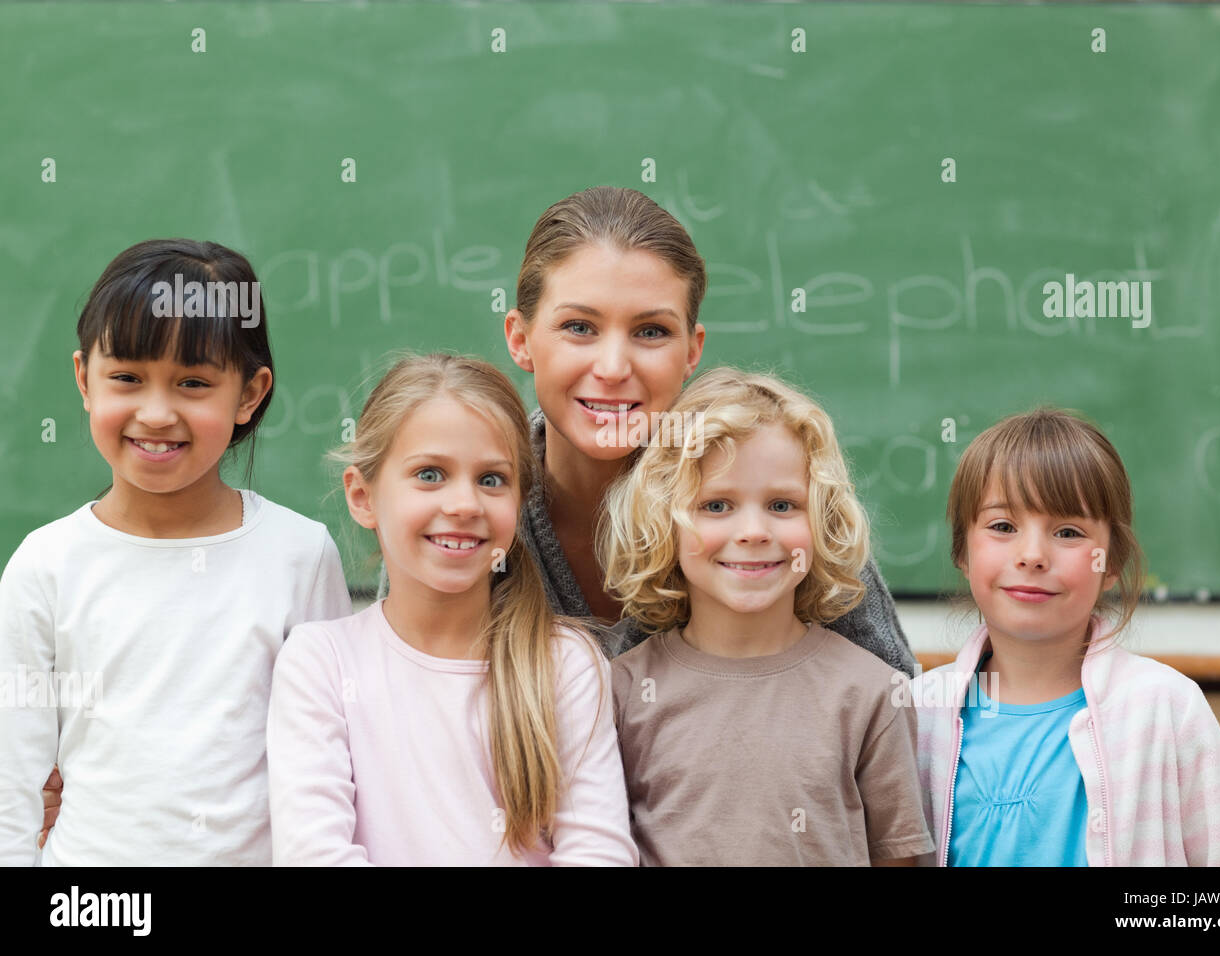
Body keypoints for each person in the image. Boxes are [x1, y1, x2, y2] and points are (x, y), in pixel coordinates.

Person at [0, 239, 351, 865]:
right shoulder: (45, 565)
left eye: (193, 383)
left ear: (249, 393)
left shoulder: (300, 555)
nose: (156, 413)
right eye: (127, 378)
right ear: (85, 378)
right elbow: (14, 776)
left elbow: (331, 759)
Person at [496, 185, 916, 671]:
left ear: (692, 351)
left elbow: (895, 696)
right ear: (520, 339)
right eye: (579, 327)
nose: (612, 368)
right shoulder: (469, 498)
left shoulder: (765, 479)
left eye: (651, 331)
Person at [266, 353, 636, 865]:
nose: (464, 504)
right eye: (430, 474)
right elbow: (316, 855)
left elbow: (599, 853)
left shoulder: (567, 662)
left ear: (520, 501)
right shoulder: (320, 662)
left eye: (491, 480)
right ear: (362, 495)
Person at [599, 367, 934, 866]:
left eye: (782, 504)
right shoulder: (620, 688)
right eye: (716, 505)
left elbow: (898, 855)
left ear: (821, 521)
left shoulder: (869, 692)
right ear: (662, 521)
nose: (753, 531)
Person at [911, 407, 1220, 866]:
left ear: (1112, 563)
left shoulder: (1166, 707)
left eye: (1068, 532)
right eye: (1003, 526)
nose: (1033, 555)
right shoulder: (916, 715)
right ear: (962, 549)